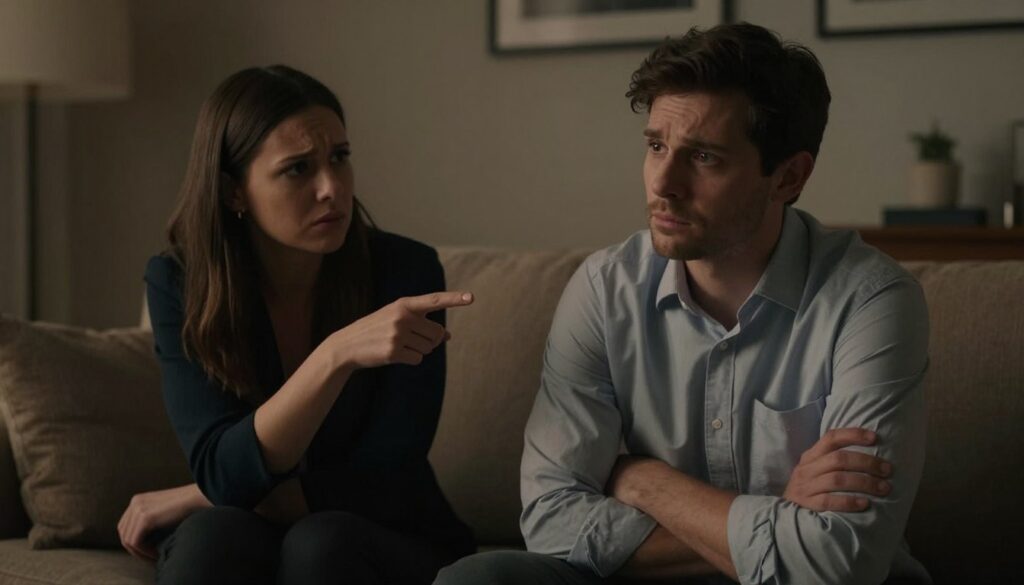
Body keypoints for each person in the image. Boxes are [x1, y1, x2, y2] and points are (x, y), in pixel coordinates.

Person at [436, 23, 931, 585]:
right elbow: (550, 518)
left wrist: (644, 481)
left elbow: (840, 561)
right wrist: (777, 516)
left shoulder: (870, 301)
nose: (664, 184)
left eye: (703, 157)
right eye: (655, 146)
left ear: (788, 177)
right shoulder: (604, 290)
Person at [117, 65, 476, 585]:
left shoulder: (406, 273)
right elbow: (220, 469)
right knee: (208, 542)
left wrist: (206, 493)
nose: (332, 188)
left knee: (320, 544)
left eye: (340, 158)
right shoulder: (179, 282)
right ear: (234, 192)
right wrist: (335, 355)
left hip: (386, 537)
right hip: (257, 533)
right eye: (297, 169)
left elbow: (387, 477)